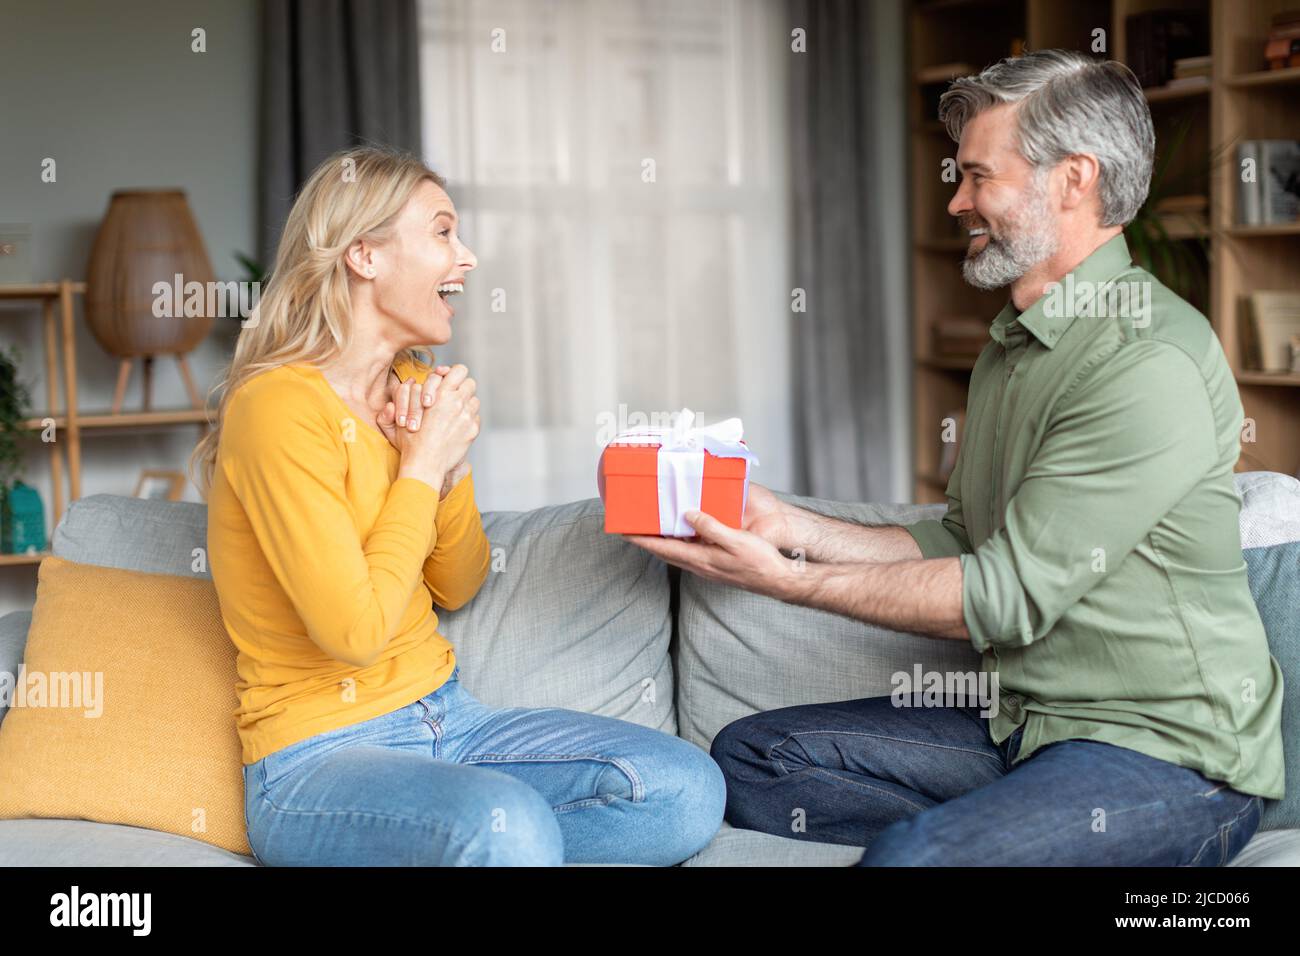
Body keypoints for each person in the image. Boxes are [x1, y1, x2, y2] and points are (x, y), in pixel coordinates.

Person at [627, 50, 1284, 866]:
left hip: (1165, 757)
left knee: (918, 858)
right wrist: (785, 523)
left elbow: (1004, 595)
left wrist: (785, 580)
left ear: (1073, 180)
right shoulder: (1011, 346)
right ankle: (1020, 823)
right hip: (1024, 725)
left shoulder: (1145, 362)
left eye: (979, 177)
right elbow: (965, 540)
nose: (957, 200)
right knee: (757, 760)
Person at [194, 145, 724, 866]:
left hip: (451, 720)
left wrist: (448, 470)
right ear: (364, 256)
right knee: (508, 826)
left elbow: (459, 583)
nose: (467, 258)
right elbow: (353, 631)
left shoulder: (411, 385)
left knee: (682, 787)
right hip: (317, 760)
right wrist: (422, 463)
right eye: (443, 232)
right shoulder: (278, 408)